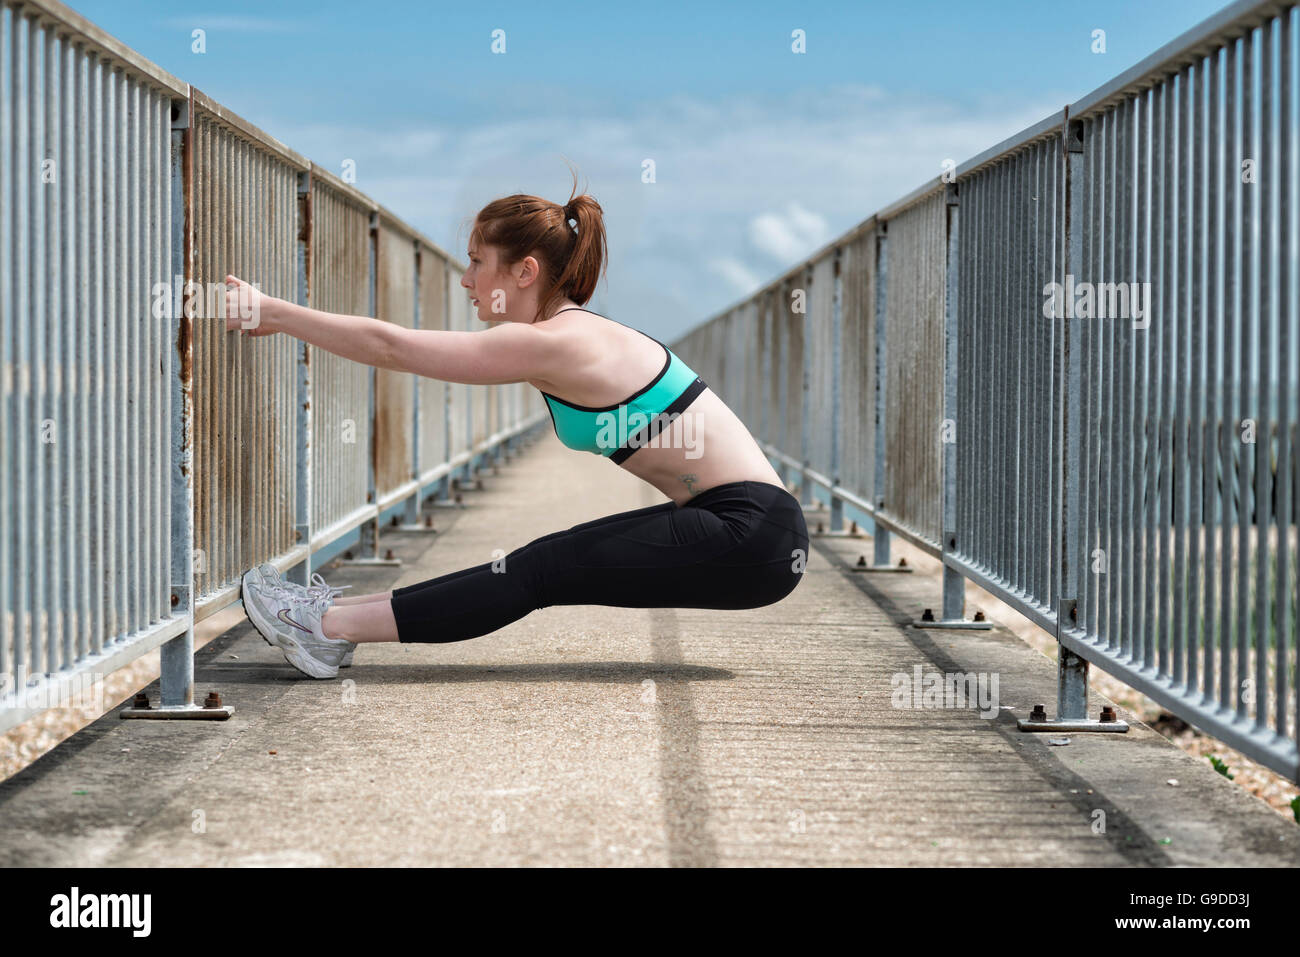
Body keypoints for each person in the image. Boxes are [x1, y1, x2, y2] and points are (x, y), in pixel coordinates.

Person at [233, 179, 809, 678]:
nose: (465, 280)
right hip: (744, 527)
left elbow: (392, 346)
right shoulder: (565, 334)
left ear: (525, 271)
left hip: (751, 533)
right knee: (542, 562)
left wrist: (275, 312)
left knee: (540, 569)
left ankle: (326, 627)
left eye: (477, 262)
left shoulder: (553, 343)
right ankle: (332, 621)